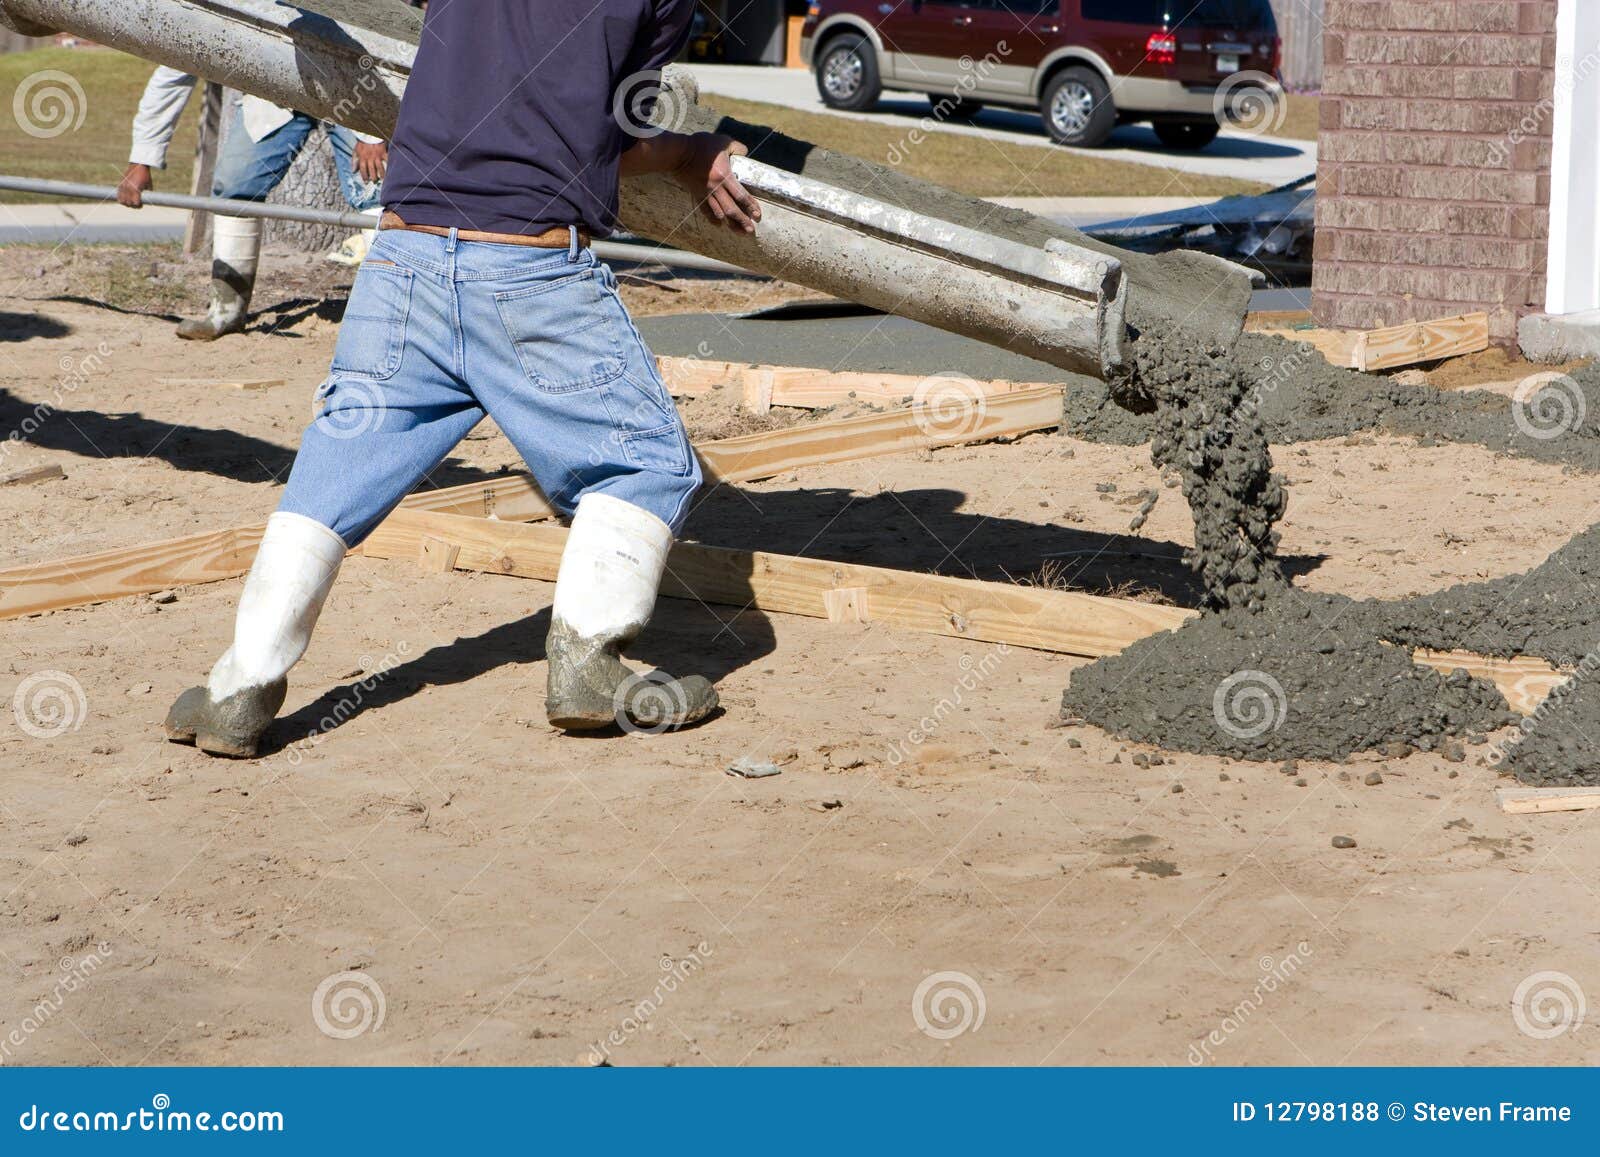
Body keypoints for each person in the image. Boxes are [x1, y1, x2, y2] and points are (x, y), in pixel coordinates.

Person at [162, 0, 760, 758]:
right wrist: (689, 150)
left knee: (335, 473)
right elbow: (609, 140)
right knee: (646, 462)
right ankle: (588, 667)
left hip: (401, 256)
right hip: (526, 267)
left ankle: (237, 688)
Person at [118, 66, 389, 340]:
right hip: (280, 93)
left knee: (375, 187)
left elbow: (370, 49)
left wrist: (372, 131)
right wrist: (142, 158)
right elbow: (173, 73)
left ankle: (390, 317)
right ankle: (225, 314)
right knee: (234, 185)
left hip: (356, 90)